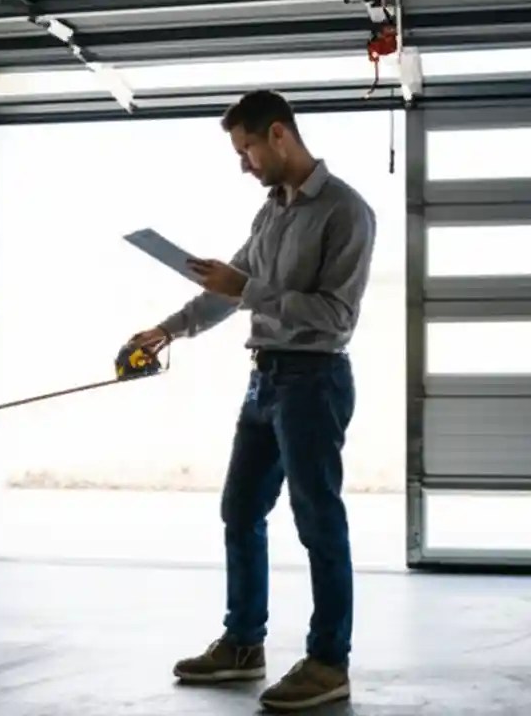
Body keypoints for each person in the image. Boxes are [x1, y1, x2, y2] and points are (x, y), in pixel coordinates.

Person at [127, 89, 375, 712]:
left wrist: (251, 289)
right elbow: (228, 289)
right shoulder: (270, 214)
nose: (244, 164)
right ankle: (243, 644)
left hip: (313, 380)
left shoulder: (346, 211)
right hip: (264, 381)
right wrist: (168, 328)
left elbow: (335, 314)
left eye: (247, 150)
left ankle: (328, 661)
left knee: (319, 521)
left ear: (279, 136)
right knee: (240, 510)